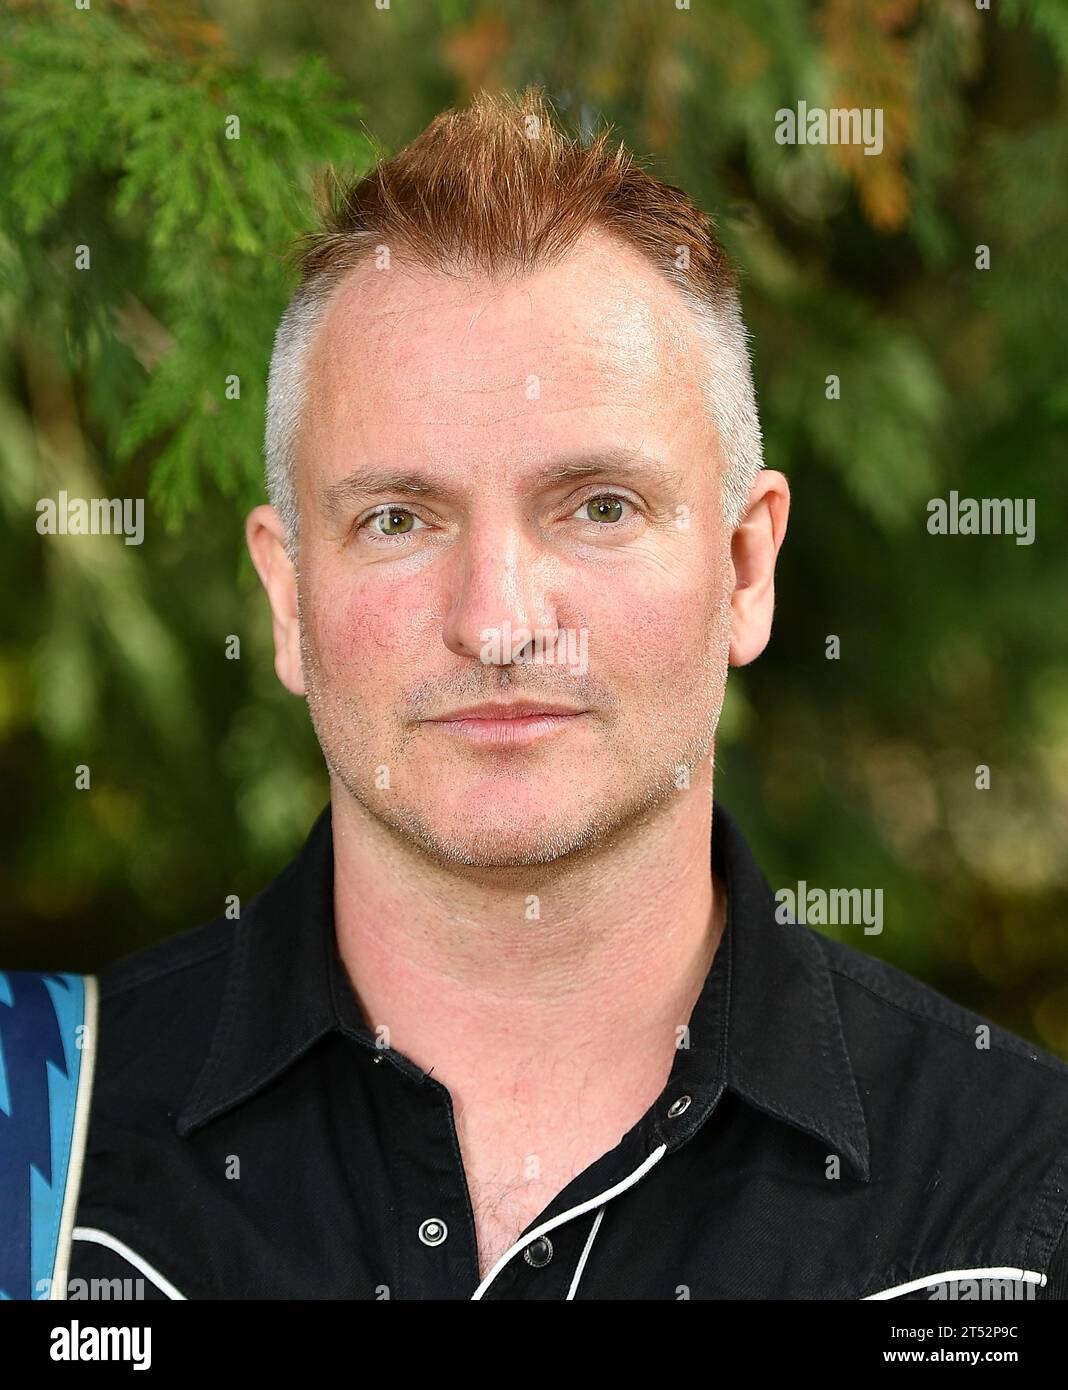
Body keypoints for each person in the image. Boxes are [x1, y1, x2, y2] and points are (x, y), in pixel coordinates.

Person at [10, 88, 1068, 1301]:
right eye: (398, 518)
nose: (500, 623)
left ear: (744, 568)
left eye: (600, 507)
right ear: (289, 595)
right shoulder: (33, 1155)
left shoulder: (1017, 1216)